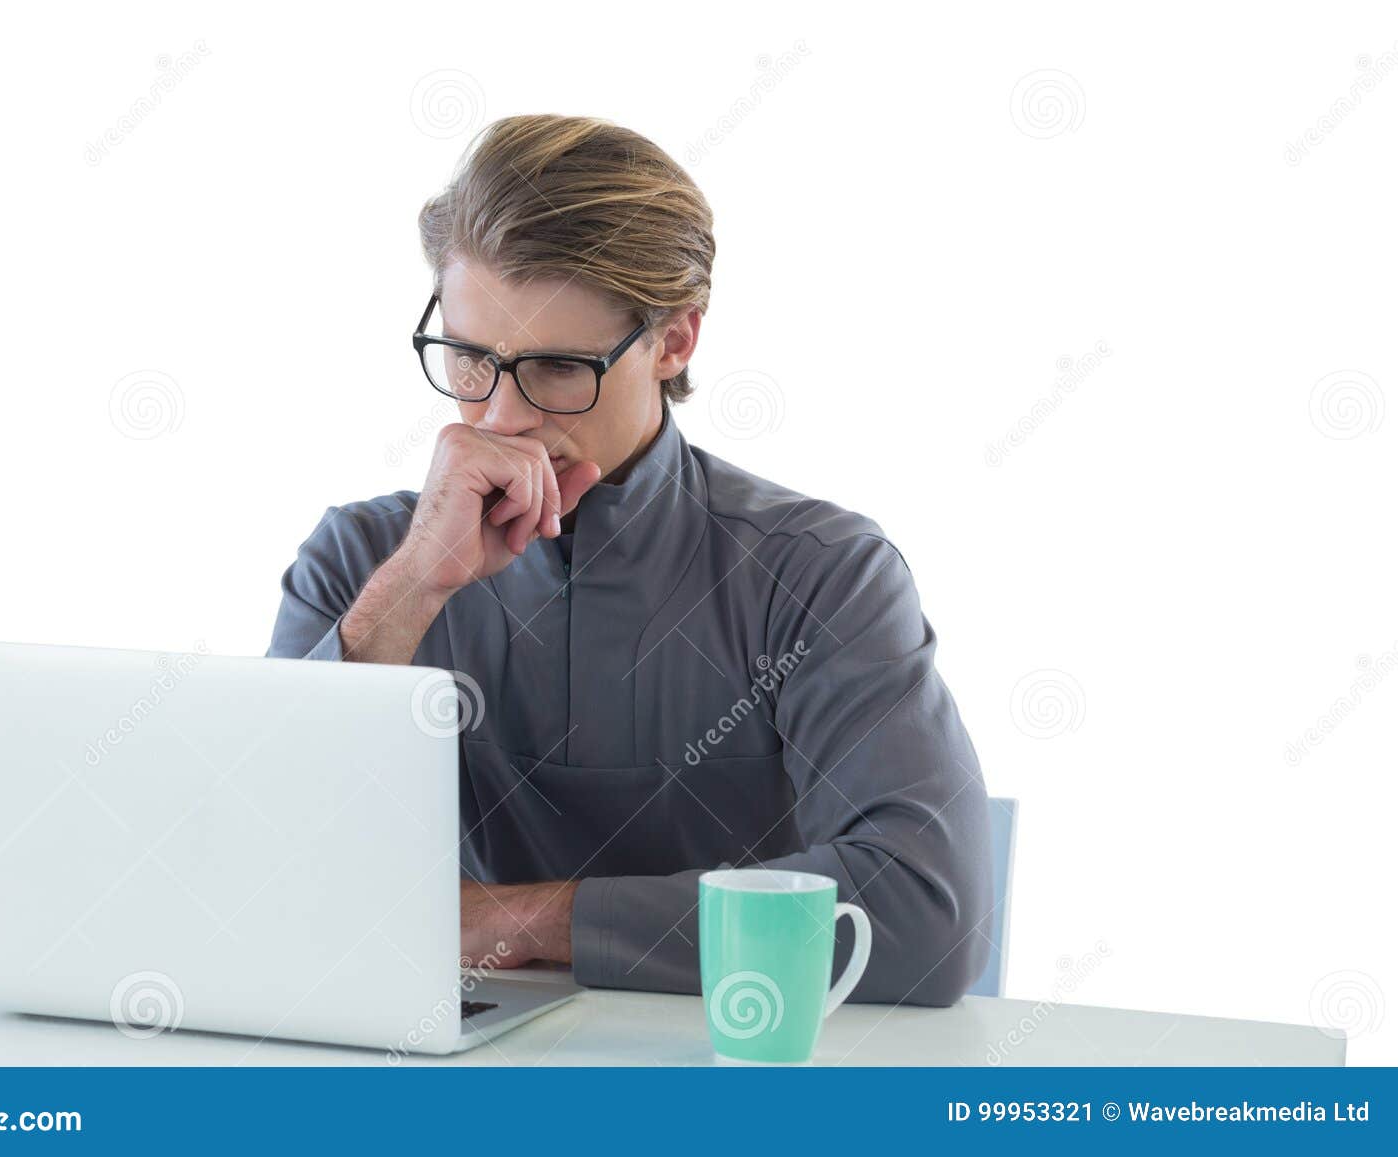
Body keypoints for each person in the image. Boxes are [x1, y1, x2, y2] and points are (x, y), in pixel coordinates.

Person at [268, 114, 992, 1005]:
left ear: (675, 341)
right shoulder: (362, 565)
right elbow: (254, 877)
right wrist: (417, 582)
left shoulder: (822, 575)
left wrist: (511, 921)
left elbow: (926, 916)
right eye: (467, 359)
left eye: (559, 368)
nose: (500, 418)